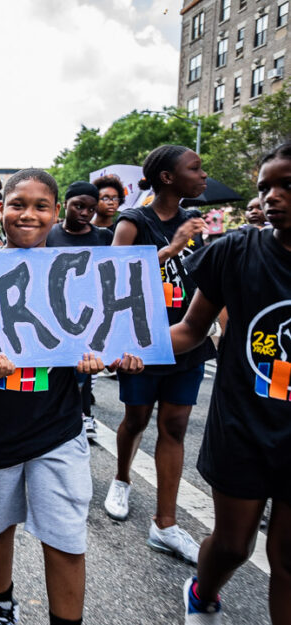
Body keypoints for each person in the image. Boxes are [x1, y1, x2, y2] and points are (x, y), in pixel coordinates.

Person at [0, 169, 144, 625]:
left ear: (56, 212)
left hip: (58, 426)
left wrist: (115, 356)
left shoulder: (80, 272)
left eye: (41, 206)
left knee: (65, 537)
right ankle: (1, 606)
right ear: (2, 210)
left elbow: (108, 333)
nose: (28, 215)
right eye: (18, 204)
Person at [171, 142, 291, 623]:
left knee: (287, 558)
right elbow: (190, 330)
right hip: (243, 424)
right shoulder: (234, 251)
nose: (272, 196)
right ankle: (202, 593)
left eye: (287, 185)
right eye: (265, 187)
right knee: (234, 544)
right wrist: (125, 344)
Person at [106, 145, 215, 565]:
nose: (203, 175)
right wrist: (171, 247)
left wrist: (221, 324)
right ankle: (122, 478)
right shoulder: (133, 222)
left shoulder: (196, 222)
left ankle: (165, 523)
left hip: (187, 340)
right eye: (195, 168)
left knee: (175, 425)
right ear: (167, 178)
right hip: (141, 340)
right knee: (136, 419)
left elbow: (208, 279)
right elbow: (114, 281)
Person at [46, 181, 114, 442]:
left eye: (91, 208)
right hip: (54, 312)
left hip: (89, 312)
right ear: (65, 205)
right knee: (57, 370)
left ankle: (84, 415)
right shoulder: (49, 234)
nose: (85, 213)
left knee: (85, 367)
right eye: (78, 206)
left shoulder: (103, 237)